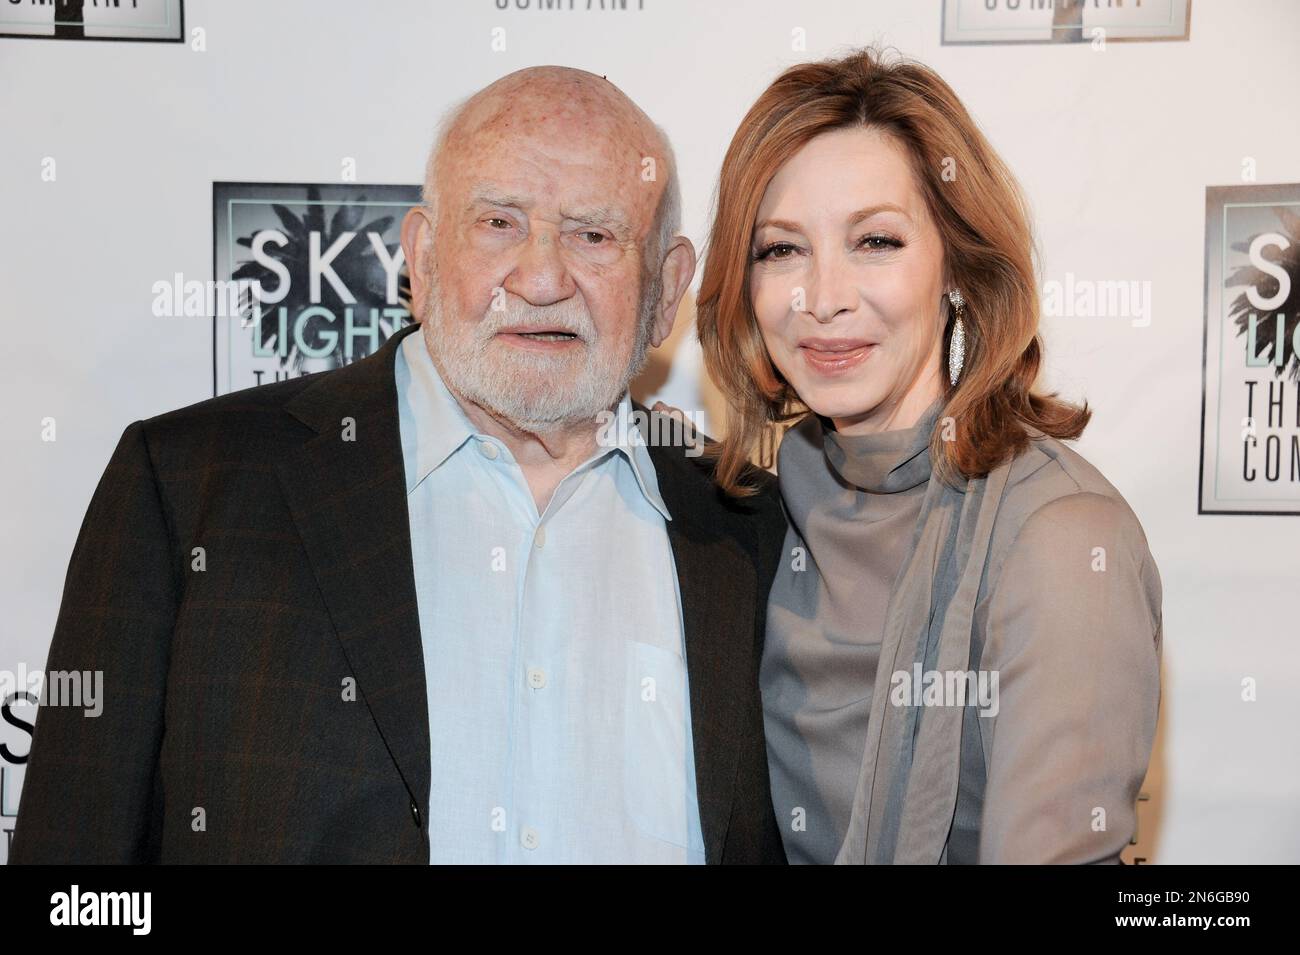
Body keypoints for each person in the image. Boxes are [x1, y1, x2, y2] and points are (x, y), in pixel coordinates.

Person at [10, 66, 787, 864]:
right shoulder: (189, 488)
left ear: (665, 290)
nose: (545, 277)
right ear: (421, 256)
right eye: (498, 222)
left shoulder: (750, 529)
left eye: (594, 235)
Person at [690, 46, 1163, 864]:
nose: (823, 295)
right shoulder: (753, 513)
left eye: (875, 241)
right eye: (780, 250)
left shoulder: (1058, 537)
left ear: (955, 264)